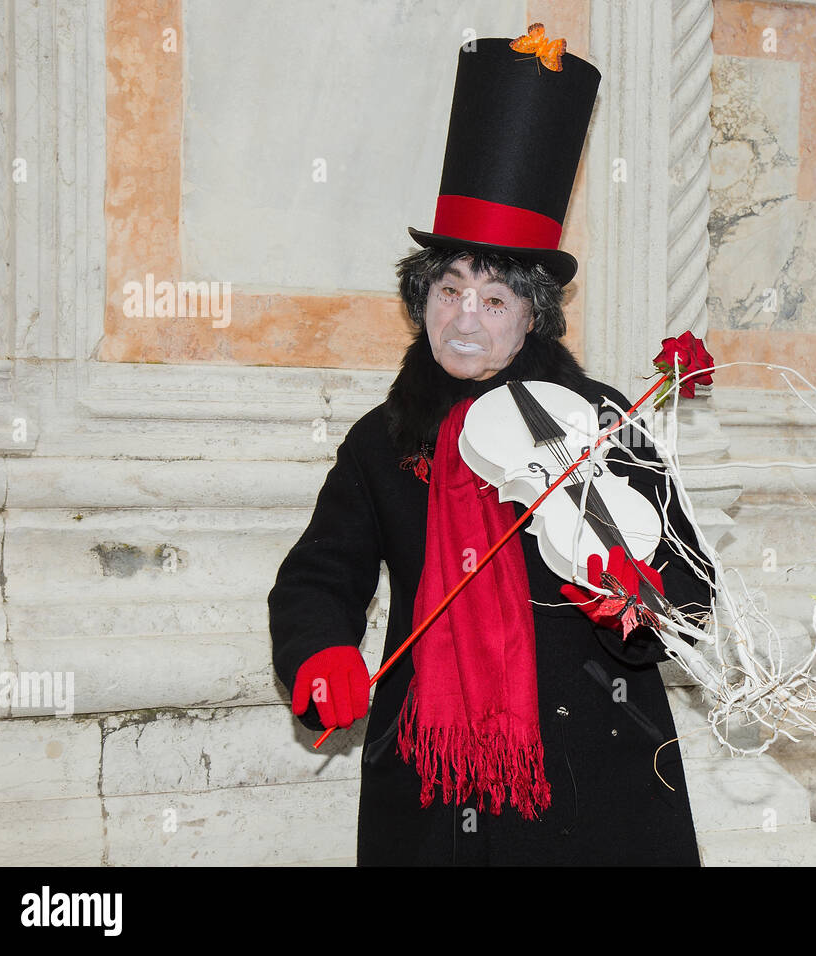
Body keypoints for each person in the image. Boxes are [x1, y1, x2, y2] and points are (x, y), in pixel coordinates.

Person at [267, 31, 714, 866]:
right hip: (434, 781)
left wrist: (640, 606)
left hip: (597, 768)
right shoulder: (383, 440)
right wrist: (320, 651)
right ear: (421, 299)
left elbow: (688, 572)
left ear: (532, 314)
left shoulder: (599, 419)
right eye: (448, 289)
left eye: (495, 296)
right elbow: (318, 575)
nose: (465, 317)